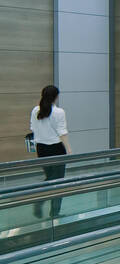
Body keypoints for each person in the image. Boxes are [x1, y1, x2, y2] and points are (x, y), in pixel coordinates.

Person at [30, 85, 71, 218]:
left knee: (50, 178)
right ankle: (52, 211)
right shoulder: (59, 112)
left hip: (41, 149)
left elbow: (33, 128)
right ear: (56, 97)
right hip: (56, 148)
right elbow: (62, 132)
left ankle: (41, 201)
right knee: (57, 182)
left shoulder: (35, 110)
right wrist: (69, 149)